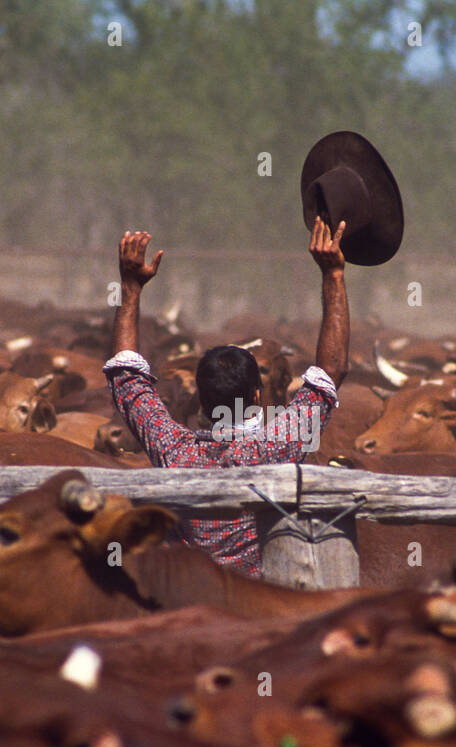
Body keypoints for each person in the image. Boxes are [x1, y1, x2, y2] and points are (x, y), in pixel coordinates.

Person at [103, 217, 351, 576]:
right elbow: (332, 370)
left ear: (200, 399)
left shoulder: (174, 448)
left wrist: (130, 286)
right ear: (256, 394)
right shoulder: (277, 446)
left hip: (187, 598)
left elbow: (127, 378)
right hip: (256, 603)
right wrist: (333, 274)